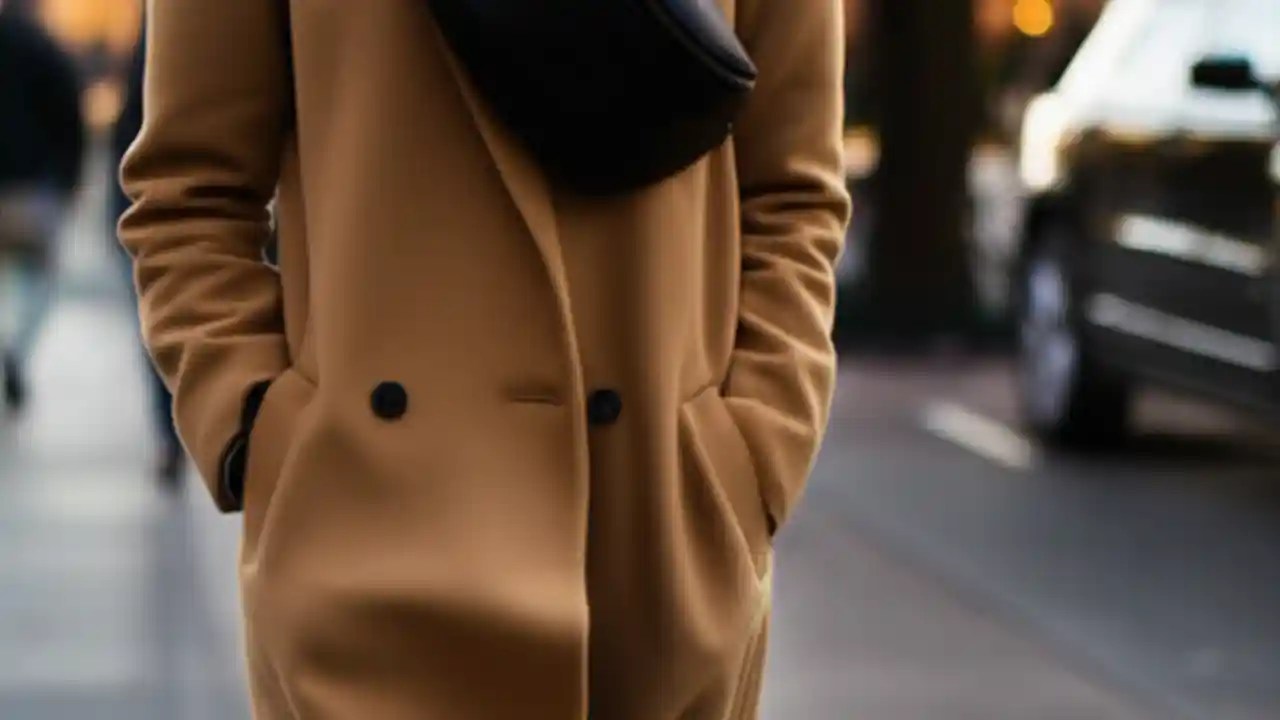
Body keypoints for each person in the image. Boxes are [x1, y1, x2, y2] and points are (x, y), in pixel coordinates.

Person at [119, 2, 850, 718]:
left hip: (656, 556)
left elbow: (792, 188)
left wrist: (750, 455)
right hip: (359, 565)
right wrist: (262, 434)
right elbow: (190, 195)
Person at [0, 0, 83, 413]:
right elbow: (71, 120)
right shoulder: (46, 49)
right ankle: (16, 347)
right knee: (42, 283)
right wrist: (69, 182)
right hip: (32, 192)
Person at [111, 28, 185, 483]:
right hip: (172, 217)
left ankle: (170, 434)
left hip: (154, 214)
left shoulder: (152, 49)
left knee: (160, 329)